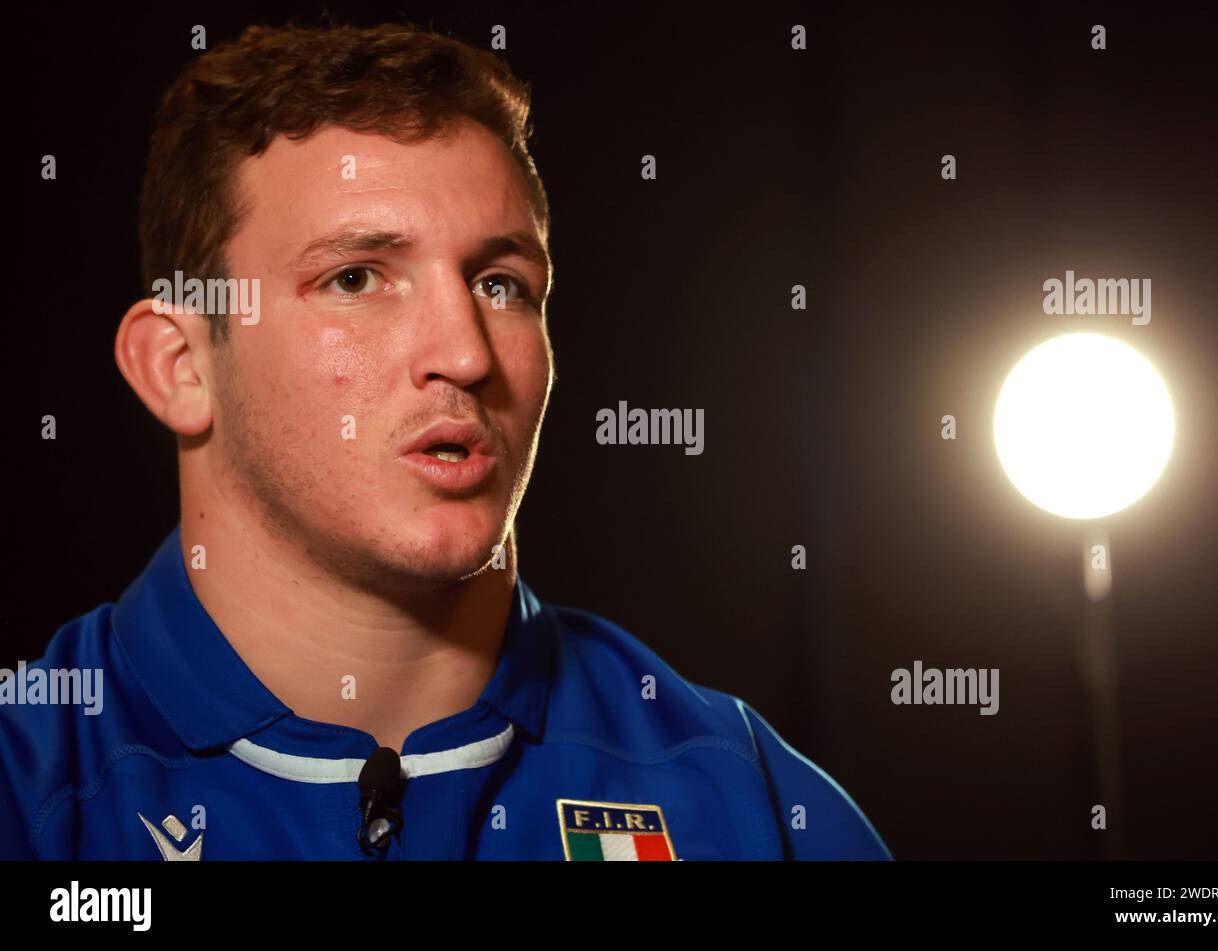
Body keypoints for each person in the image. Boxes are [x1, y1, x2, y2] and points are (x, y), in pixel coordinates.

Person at [0, 21, 890, 860]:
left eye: (501, 284)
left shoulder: (748, 804)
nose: (465, 353)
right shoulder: (29, 783)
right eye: (356, 277)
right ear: (180, 366)